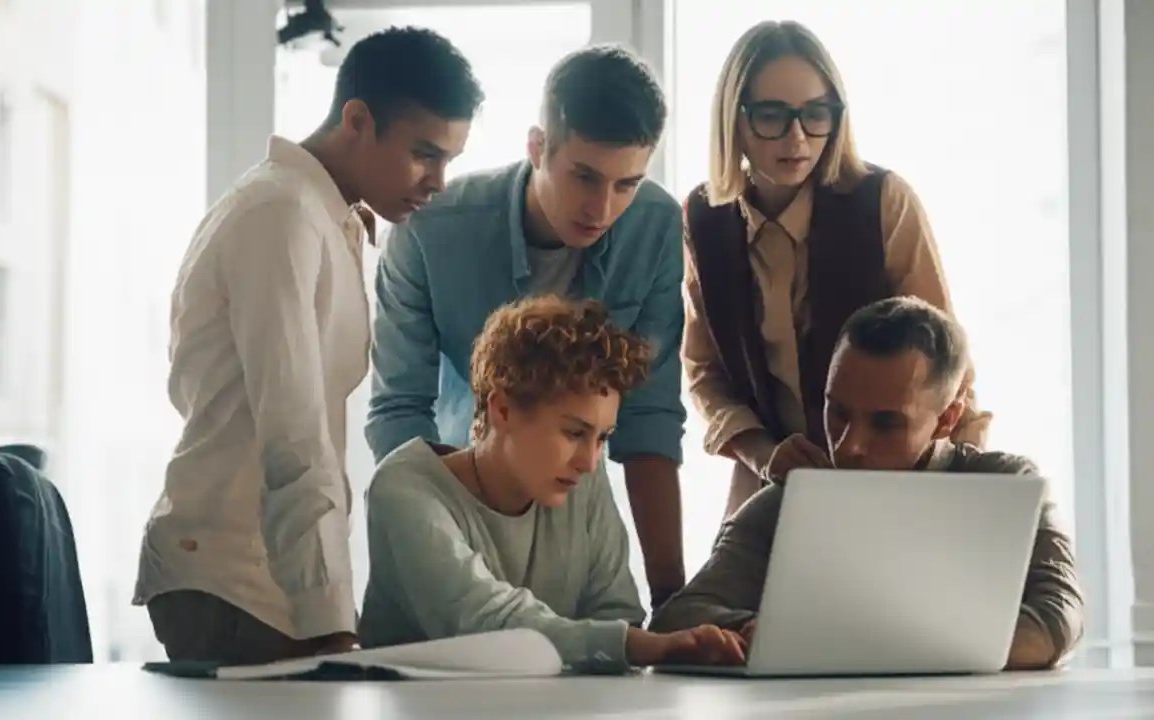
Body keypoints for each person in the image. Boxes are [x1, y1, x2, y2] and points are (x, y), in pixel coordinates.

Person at [132, 28, 484, 665]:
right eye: (424, 154)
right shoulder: (282, 214)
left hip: (268, 576)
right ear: (357, 120)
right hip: (235, 582)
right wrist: (333, 628)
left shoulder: (326, 216)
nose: (438, 181)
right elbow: (295, 434)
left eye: (449, 160)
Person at [365, 45, 687, 608]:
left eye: (626, 184)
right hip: (457, 500)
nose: (602, 207)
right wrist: (443, 538)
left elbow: (650, 419)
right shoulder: (430, 231)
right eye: (584, 177)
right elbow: (399, 409)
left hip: (573, 518)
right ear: (538, 147)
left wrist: (672, 600)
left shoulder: (656, 225)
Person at [650, 297, 1084, 671]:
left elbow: (1056, 620)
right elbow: (679, 616)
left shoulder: (1008, 487)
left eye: (886, 423)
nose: (849, 445)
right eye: (837, 412)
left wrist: (821, 638)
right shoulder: (787, 502)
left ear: (948, 419)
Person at [682, 20, 992, 517]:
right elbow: (704, 371)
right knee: (735, 591)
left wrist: (966, 492)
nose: (798, 137)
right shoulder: (705, 217)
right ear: (733, 120)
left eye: (816, 114)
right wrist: (763, 454)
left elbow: (946, 365)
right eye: (771, 115)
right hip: (776, 472)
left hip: (895, 474)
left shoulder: (883, 202)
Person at [359, 296, 746, 672]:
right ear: (502, 409)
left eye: (603, 437)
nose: (590, 461)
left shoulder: (579, 479)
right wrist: (650, 647)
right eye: (574, 433)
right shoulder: (403, 489)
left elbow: (616, 612)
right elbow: (485, 622)